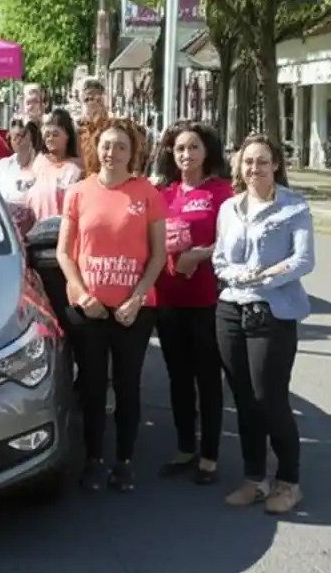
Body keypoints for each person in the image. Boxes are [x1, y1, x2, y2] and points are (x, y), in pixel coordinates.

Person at [55, 117, 167, 493]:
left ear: (133, 152)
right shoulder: (78, 192)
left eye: (121, 146)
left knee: (127, 386)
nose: (112, 152)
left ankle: (125, 460)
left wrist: (136, 299)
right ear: (95, 148)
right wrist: (81, 292)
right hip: (88, 309)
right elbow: (64, 253)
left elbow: (158, 256)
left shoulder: (148, 194)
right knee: (91, 387)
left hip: (133, 311)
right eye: (106, 144)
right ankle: (93, 459)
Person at [213, 134, 315, 515]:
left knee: (269, 399)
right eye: (247, 161)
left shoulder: (294, 207)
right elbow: (220, 261)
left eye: (262, 161)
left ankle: (289, 481)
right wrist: (239, 276)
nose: (254, 168)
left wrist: (259, 278)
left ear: (275, 165)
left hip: (272, 312)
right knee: (243, 400)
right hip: (231, 311)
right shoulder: (229, 208)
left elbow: (302, 261)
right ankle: (254, 478)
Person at [151, 121, 233, 485]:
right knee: (178, 377)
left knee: (207, 380)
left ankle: (210, 456)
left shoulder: (221, 192)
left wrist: (200, 255)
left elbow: (235, 243)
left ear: (206, 151)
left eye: (193, 147)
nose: (186, 154)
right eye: (180, 148)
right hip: (168, 299)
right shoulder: (163, 195)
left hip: (205, 301)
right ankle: (185, 447)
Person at [0, 118, 43, 205]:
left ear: (33, 137)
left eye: (21, 135)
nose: (17, 140)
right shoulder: (1, 166)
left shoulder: (42, 166)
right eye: (13, 136)